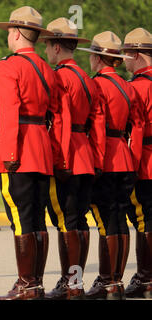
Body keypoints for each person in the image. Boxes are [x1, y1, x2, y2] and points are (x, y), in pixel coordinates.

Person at [0, 6, 64, 300]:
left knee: (21, 219)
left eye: (10, 30)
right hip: (41, 147)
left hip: (18, 146)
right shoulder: (48, 68)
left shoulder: (8, 65)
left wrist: (8, 151)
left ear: (19, 33)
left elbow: (9, 112)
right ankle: (35, 282)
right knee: (37, 219)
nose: (8, 35)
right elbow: (55, 113)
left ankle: (27, 285)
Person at [41, 17, 106, 299]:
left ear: (56, 47)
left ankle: (71, 284)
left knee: (66, 222)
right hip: (86, 154)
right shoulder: (89, 81)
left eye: (47, 45)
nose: (45, 51)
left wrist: (60, 159)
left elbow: (61, 121)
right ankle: (75, 281)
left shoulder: (58, 77)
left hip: (67, 153)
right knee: (79, 222)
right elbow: (98, 123)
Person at [77, 31, 145, 299]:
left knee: (105, 221)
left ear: (96, 58)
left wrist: (96, 160)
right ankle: (115, 281)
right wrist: (135, 160)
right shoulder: (129, 87)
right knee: (119, 221)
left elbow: (96, 127)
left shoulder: (95, 85)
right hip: (125, 157)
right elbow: (137, 128)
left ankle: (108, 281)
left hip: (105, 157)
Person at [122, 27, 152, 299]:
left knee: (144, 221)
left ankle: (145, 277)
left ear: (136, 55)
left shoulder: (136, 87)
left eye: (126, 54)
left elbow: (136, 130)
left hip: (145, 160)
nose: (124, 60)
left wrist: (130, 165)